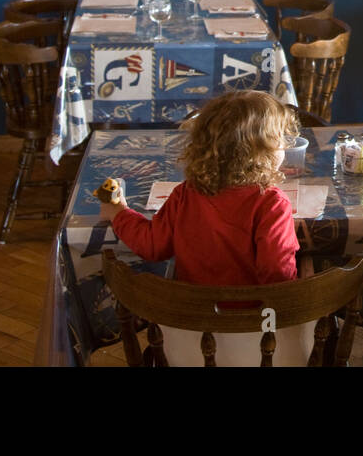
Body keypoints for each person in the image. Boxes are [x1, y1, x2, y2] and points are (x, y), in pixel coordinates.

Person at [100, 90, 305, 365]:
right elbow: (278, 277)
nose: (283, 146)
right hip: (256, 339)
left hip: (189, 337)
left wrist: (118, 212)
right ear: (261, 151)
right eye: (279, 140)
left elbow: (151, 246)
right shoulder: (271, 204)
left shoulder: (186, 193)